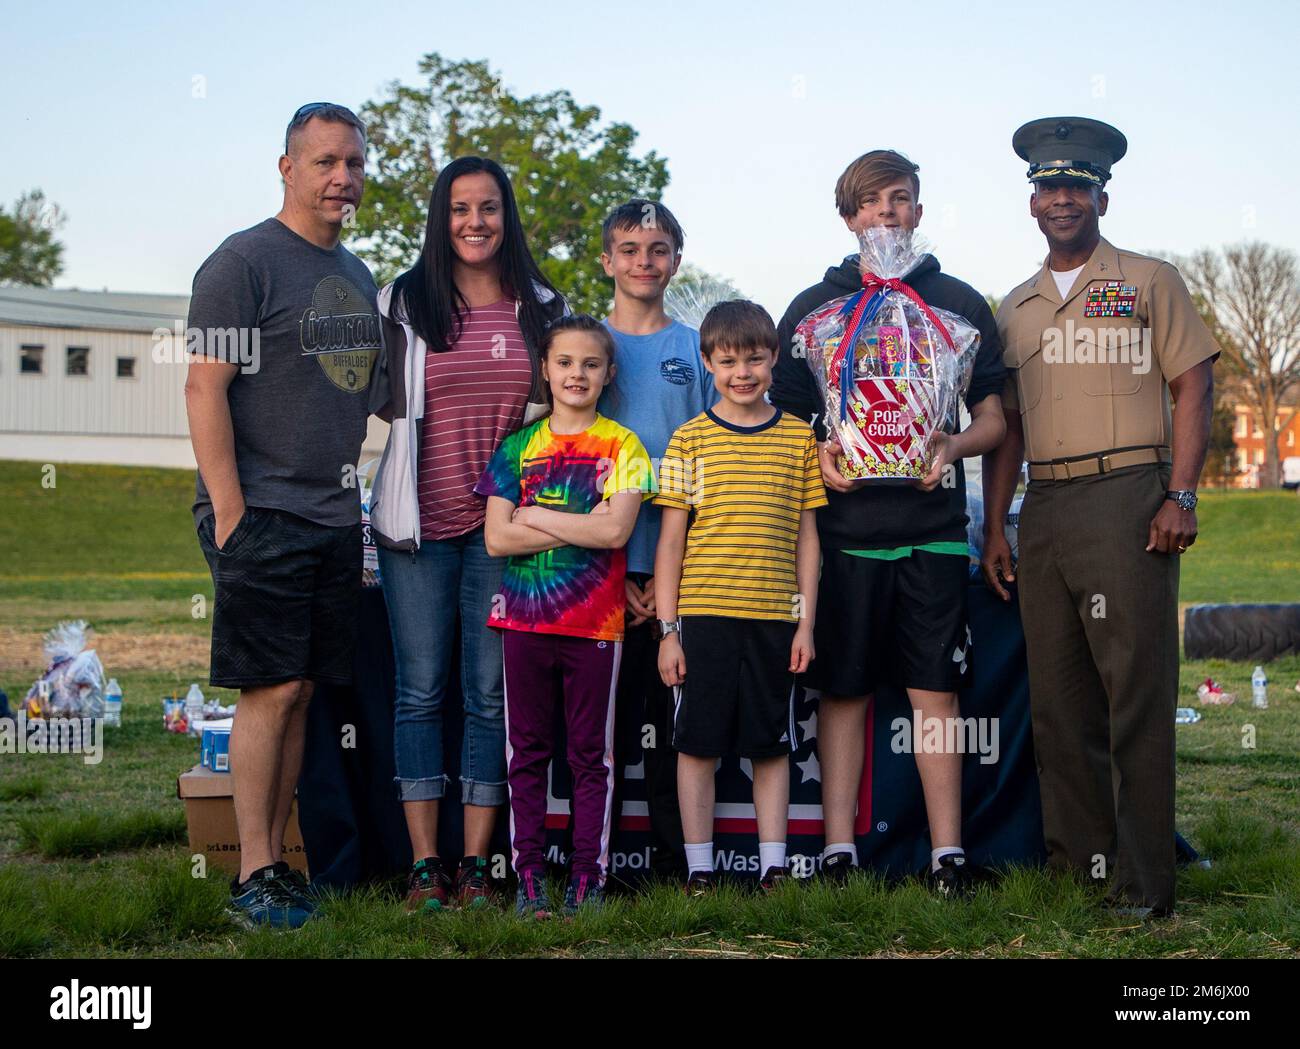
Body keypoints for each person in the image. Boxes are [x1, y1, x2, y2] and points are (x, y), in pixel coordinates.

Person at [982, 118, 1217, 917]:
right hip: (1042, 506)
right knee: (1059, 700)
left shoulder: (1151, 280)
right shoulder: (1012, 307)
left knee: (1135, 697)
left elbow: (1194, 385)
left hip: (1128, 496)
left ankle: (1146, 884)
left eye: (1076, 187)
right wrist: (994, 525)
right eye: (1048, 188)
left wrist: (1180, 495)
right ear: (1032, 204)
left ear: (1101, 195)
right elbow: (1008, 424)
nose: (1062, 200)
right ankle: (1080, 873)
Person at [769, 150, 1007, 895]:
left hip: (935, 526)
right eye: (870, 203)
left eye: (900, 200)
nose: (887, 214)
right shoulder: (814, 305)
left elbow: (996, 416)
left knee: (936, 689)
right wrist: (819, 454)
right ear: (848, 217)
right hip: (841, 534)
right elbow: (780, 419)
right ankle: (839, 849)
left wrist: (954, 442)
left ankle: (947, 855)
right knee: (843, 688)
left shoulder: (960, 303)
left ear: (920, 211)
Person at [185, 102, 380, 928]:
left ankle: (278, 866)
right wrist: (231, 512)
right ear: (288, 166)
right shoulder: (243, 261)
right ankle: (253, 873)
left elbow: (366, 397)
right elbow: (204, 387)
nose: (343, 178)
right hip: (260, 509)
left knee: (301, 691)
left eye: (355, 164)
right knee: (269, 689)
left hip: (333, 516)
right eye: (327, 161)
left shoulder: (360, 275)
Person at [367, 156, 567, 913]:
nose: (475, 222)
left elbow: (559, 414)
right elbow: (378, 404)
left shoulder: (541, 302)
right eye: (459, 209)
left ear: (506, 215)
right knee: (419, 691)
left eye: (488, 208)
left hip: (502, 533)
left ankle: (479, 865)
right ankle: (426, 866)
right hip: (414, 528)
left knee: (489, 697)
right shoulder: (402, 300)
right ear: (439, 217)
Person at [476, 315, 655, 918]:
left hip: (596, 625)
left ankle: (588, 877)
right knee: (525, 753)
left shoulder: (623, 446)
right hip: (523, 622)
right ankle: (529, 878)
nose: (576, 374)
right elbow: (496, 541)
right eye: (565, 362)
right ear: (546, 369)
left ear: (607, 374)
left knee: (589, 757)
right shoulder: (517, 447)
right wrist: (575, 525)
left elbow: (615, 530)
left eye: (590, 364)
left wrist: (535, 516)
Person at [655, 300, 826, 893]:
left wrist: (804, 624)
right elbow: (671, 539)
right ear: (708, 364)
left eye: (754, 359)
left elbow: (808, 538)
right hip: (702, 618)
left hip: (776, 620)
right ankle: (700, 870)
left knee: (771, 745)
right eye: (727, 361)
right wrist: (668, 631)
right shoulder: (689, 439)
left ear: (775, 359)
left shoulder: (799, 437)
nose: (742, 372)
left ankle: (773, 867)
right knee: (697, 745)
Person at [597, 199, 717, 880]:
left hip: (677, 574)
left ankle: (679, 865)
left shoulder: (693, 348)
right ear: (608, 259)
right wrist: (617, 568)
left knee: (675, 732)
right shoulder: (586, 346)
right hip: (599, 571)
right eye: (631, 248)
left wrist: (663, 582)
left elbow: (710, 462)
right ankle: (600, 863)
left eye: (659, 248)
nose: (645, 261)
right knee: (606, 735)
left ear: (677, 257)